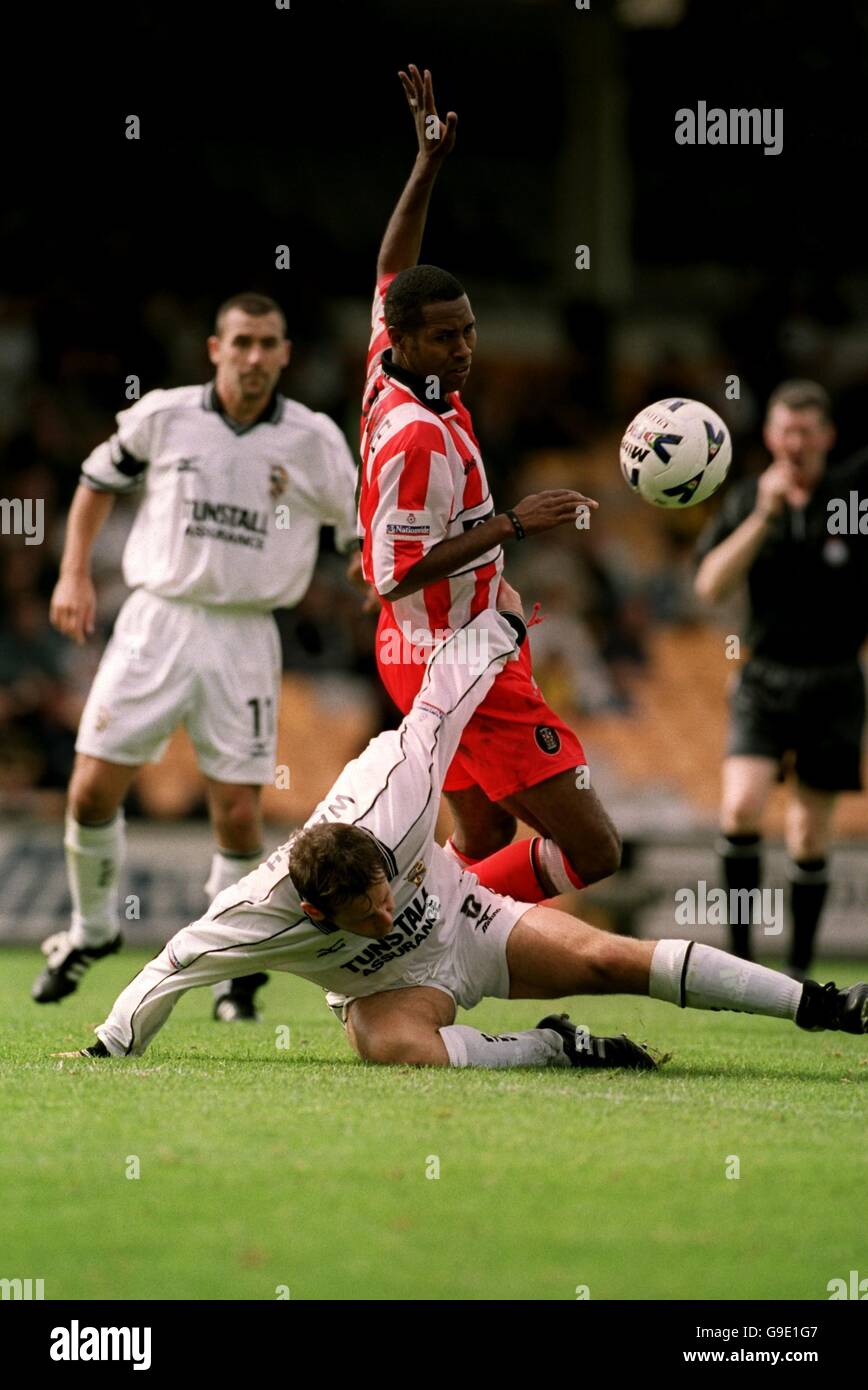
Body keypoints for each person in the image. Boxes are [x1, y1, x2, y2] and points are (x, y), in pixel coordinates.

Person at [66, 583, 867, 1065]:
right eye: (366, 915)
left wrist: (503, 629)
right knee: (386, 1049)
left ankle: (824, 1004)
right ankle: (557, 1050)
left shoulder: (398, 795)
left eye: (382, 892)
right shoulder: (258, 915)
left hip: (465, 917)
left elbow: (440, 702)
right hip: (390, 989)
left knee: (607, 959)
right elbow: (170, 966)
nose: (383, 912)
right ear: (314, 913)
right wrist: (108, 1044)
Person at [34, 292, 360, 1021]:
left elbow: (356, 534)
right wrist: (74, 571)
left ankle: (230, 970)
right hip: (156, 621)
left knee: (238, 815)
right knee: (89, 791)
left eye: (268, 344)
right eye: (240, 342)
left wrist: (372, 578)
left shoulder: (312, 439)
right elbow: (95, 481)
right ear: (215, 348)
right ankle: (91, 931)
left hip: (245, 632)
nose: (253, 357)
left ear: (284, 354)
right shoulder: (165, 414)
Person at [356, 65, 620, 897]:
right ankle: (435, 936)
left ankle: (435, 931)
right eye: (446, 338)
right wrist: (512, 523)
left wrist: (426, 165)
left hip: (421, 650)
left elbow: (394, 263)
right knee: (595, 852)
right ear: (407, 340)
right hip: (454, 656)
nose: (464, 350)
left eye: (469, 332)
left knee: (484, 834)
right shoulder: (418, 438)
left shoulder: (385, 366)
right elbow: (391, 571)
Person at [695, 379, 868, 974]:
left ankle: (798, 971)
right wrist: (764, 518)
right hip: (763, 680)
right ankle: (742, 965)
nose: (795, 442)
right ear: (769, 436)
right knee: (741, 809)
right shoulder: (746, 500)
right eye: (785, 430)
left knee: (808, 838)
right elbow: (710, 584)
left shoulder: (853, 501)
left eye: (807, 430)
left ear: (827, 436)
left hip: (835, 683)